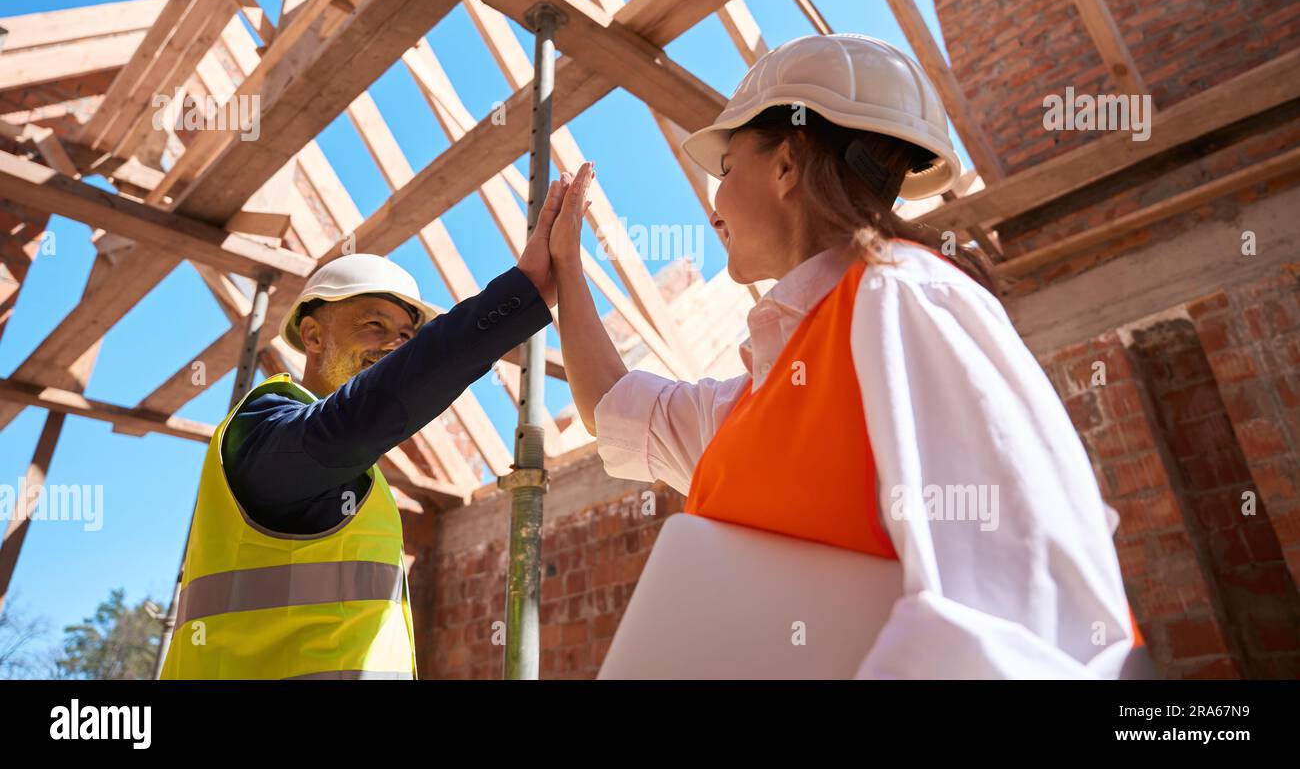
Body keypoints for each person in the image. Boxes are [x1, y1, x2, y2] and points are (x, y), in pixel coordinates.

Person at [550, 34, 1144, 678]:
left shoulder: (905, 296)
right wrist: (564, 269)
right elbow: (613, 407)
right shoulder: (761, 397)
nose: (715, 205)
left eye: (726, 171)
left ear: (786, 166)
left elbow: (1012, 620)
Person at [161, 178, 568, 679]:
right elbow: (354, 422)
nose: (391, 346)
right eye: (372, 325)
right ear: (312, 334)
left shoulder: (362, 484)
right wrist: (519, 296)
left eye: (403, 336)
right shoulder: (261, 427)